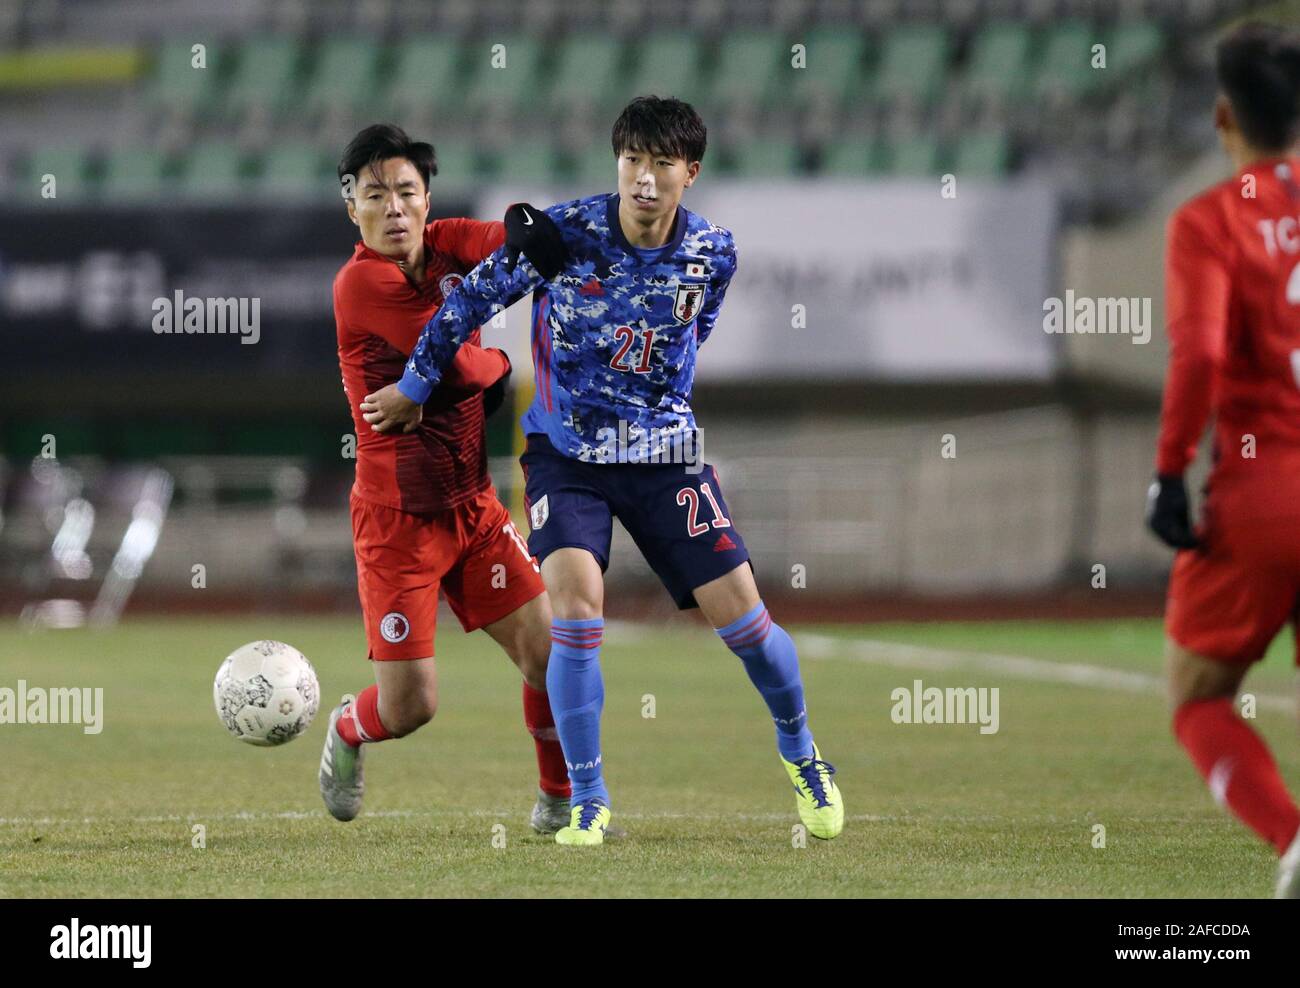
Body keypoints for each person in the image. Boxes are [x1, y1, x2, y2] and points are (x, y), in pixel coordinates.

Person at [361, 98, 843, 846]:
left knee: (747, 626)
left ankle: (803, 753)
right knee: (576, 614)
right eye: (631, 161)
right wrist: (417, 387)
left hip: (663, 460)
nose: (644, 180)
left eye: (661, 165)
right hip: (567, 460)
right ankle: (587, 799)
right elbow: (466, 305)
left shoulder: (714, 252)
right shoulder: (563, 236)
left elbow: (693, 330)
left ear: (691, 171)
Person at [323, 123, 570, 834]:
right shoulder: (360, 283)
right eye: (376, 196)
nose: (394, 208)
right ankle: (346, 728)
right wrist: (496, 369)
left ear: (427, 200)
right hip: (397, 519)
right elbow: (460, 370)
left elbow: (516, 239)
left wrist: (527, 223)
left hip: (473, 509)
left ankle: (557, 804)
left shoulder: (450, 244)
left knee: (551, 656)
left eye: (406, 192)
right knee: (410, 709)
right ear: (353, 211)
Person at [1145, 23, 1300, 897]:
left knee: (1200, 695)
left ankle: (1292, 837)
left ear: (1222, 116)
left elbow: (1199, 355)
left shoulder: (1210, 219)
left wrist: (1169, 473)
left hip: (1266, 495)